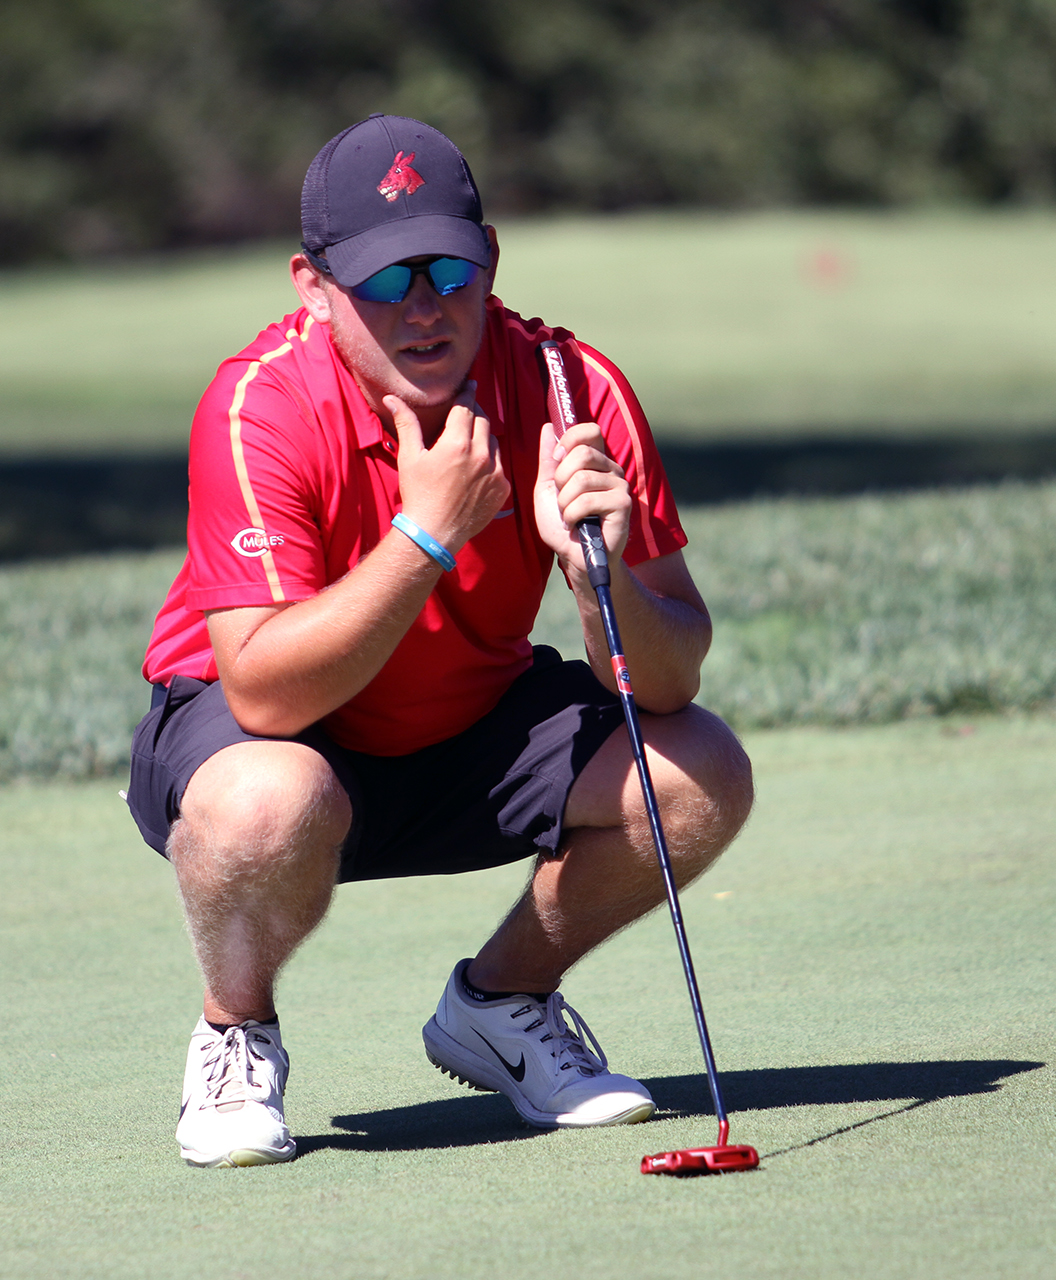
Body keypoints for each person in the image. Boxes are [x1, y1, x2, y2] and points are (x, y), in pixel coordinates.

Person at [128, 114, 753, 1168]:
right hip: (281, 734)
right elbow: (267, 691)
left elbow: (674, 671)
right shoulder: (258, 404)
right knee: (266, 804)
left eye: (448, 272)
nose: (422, 310)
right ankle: (236, 1031)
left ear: (491, 261)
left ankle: (500, 1005)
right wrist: (425, 534)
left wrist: (592, 578)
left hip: (470, 720)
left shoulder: (570, 389)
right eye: (381, 281)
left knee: (698, 771)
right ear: (312, 286)